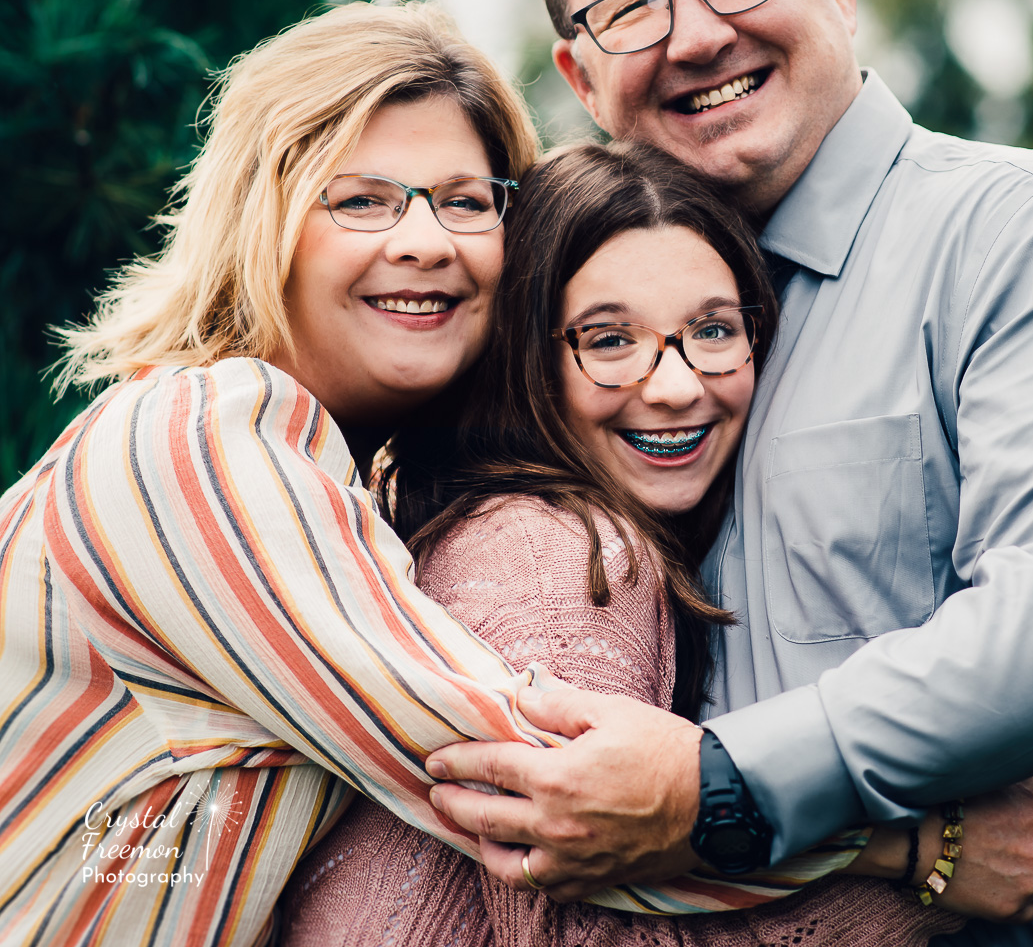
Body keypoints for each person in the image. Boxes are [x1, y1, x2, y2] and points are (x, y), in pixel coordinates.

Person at [425, 0, 1033, 945]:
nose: (696, 33)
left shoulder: (1032, 237)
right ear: (579, 72)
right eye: (630, 4)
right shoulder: (574, 292)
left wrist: (717, 786)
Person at [0, 3, 844, 947]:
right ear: (261, 216)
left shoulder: (352, 482)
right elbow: (530, 791)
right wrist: (909, 843)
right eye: (363, 200)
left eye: (467, 200)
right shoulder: (197, 435)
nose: (426, 241)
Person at [280, 139, 991, 945]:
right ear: (528, 359)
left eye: (714, 330)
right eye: (610, 341)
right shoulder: (564, 557)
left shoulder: (517, 525)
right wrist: (930, 874)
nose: (679, 386)